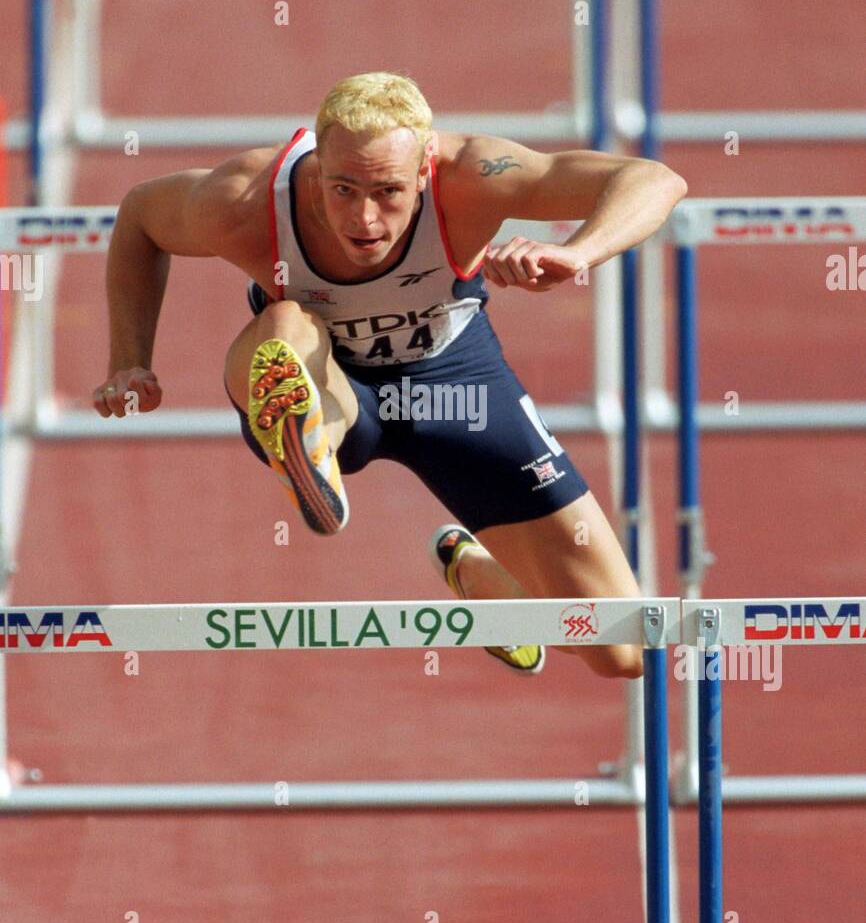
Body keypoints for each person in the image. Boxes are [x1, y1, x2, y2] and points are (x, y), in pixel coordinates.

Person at [95, 72, 687, 679]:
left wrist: (578, 252)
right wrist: (129, 359)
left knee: (623, 647)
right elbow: (141, 216)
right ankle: (307, 442)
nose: (365, 218)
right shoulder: (246, 198)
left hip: (456, 389)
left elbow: (654, 180)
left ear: (428, 170)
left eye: (388, 191)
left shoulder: (475, 174)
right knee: (286, 325)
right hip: (335, 385)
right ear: (316, 162)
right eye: (343, 188)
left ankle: (481, 576)